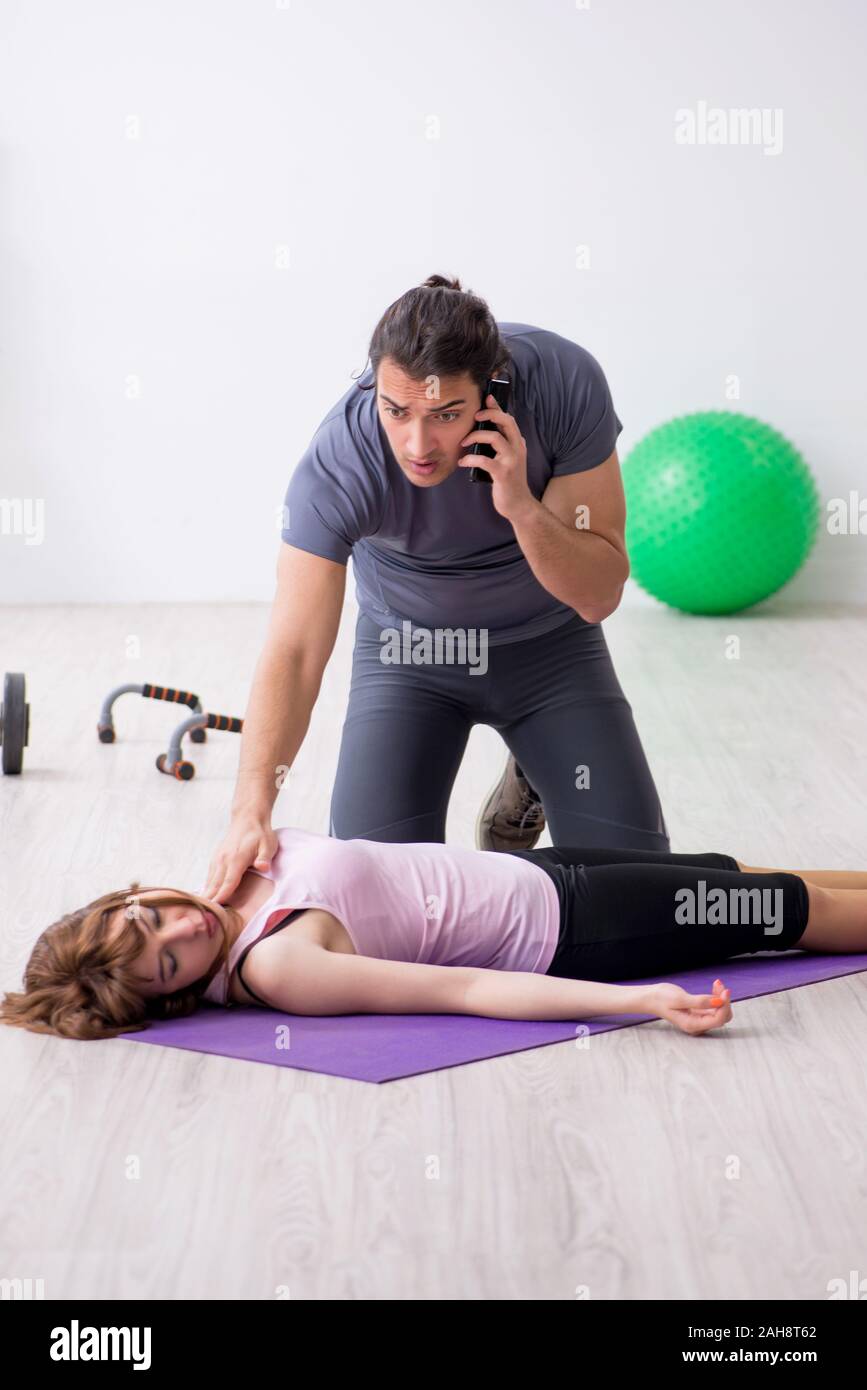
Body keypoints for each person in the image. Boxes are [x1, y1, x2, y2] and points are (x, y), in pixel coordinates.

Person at [201, 274, 667, 906]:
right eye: (397, 412)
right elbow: (294, 651)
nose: (417, 446)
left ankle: (540, 764)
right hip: (408, 660)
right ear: (374, 386)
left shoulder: (563, 382)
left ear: (493, 391)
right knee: (374, 902)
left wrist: (521, 506)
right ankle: (535, 761)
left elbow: (598, 595)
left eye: (446, 415)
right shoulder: (342, 461)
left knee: (637, 894)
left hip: (551, 649)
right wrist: (250, 809)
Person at [3, 828, 866, 1043]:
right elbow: (464, 990)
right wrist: (638, 1002)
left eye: (150, 915)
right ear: (180, 990)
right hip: (577, 935)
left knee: (752, 881)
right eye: (170, 958)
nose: (184, 926)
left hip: (544, 872)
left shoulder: (227, 877)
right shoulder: (278, 965)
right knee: (798, 918)